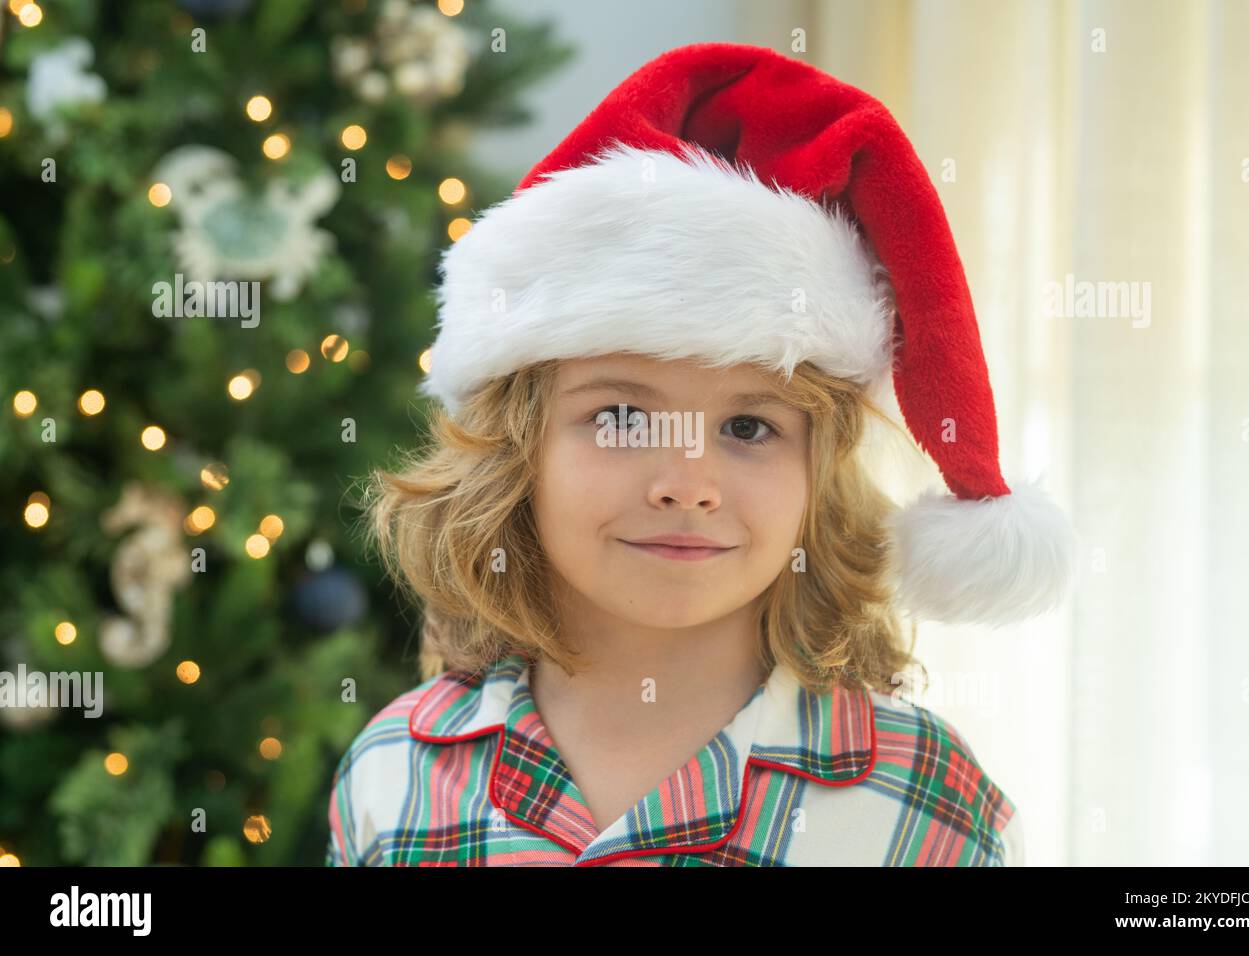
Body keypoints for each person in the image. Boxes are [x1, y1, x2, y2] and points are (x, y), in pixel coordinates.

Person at [327, 41, 1077, 867]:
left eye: (749, 429)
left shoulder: (925, 801)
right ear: (518, 452)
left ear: (819, 472)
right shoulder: (393, 775)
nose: (688, 484)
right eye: (619, 417)